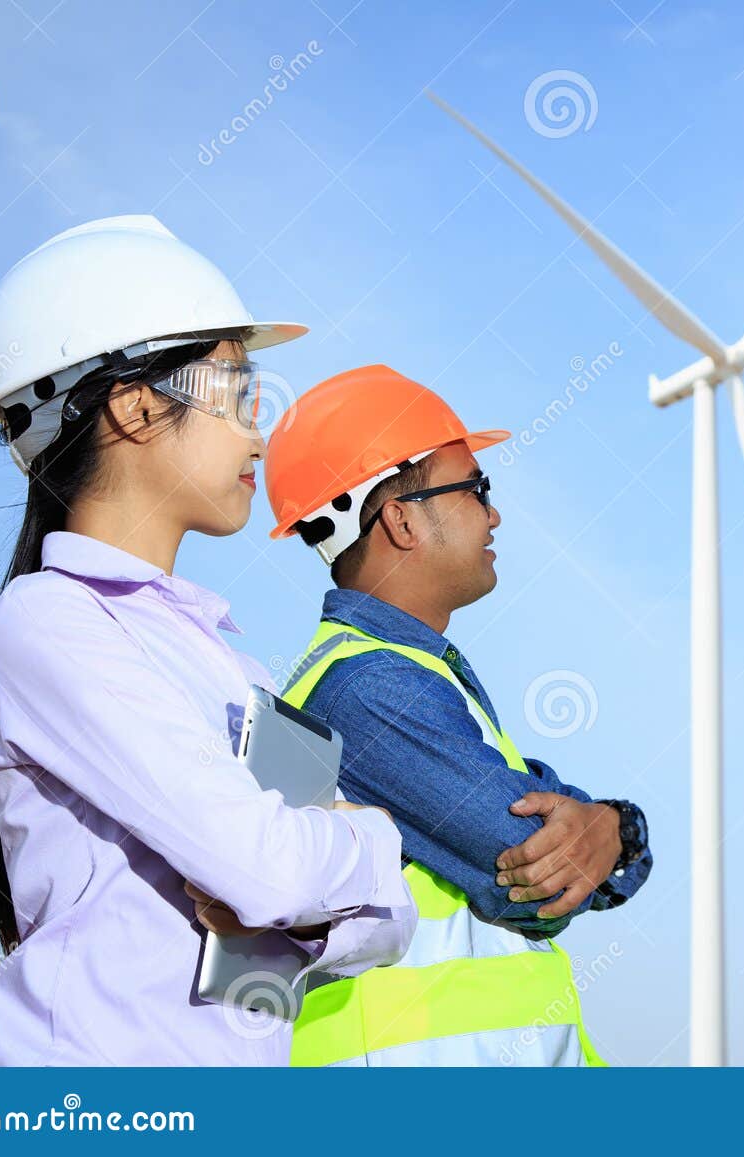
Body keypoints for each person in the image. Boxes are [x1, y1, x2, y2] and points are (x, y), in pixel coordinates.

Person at [0, 216, 417, 1065]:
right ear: (137, 406)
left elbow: (388, 922)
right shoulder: (51, 621)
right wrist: (373, 838)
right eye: (238, 393)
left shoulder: (232, 663)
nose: (259, 433)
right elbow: (269, 872)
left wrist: (305, 897)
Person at [264, 364, 652, 1067]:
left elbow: (533, 810)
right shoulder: (370, 688)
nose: (493, 515)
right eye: (476, 489)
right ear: (402, 519)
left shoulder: (405, 675)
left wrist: (608, 825)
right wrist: (610, 830)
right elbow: (537, 878)